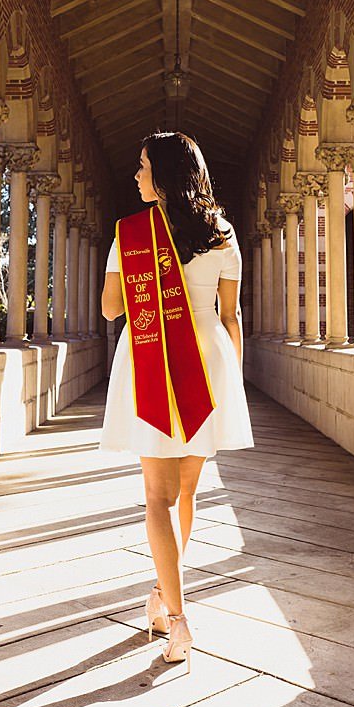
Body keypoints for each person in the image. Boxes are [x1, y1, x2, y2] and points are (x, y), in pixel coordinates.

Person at [100, 131, 253, 671]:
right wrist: (234, 379)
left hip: (151, 361)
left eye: (143, 166)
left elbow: (111, 309)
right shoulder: (223, 233)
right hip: (207, 363)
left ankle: (179, 617)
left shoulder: (132, 234)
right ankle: (162, 595)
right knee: (186, 492)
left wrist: (134, 274)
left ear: (163, 174)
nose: (136, 176)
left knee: (157, 497)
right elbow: (231, 316)